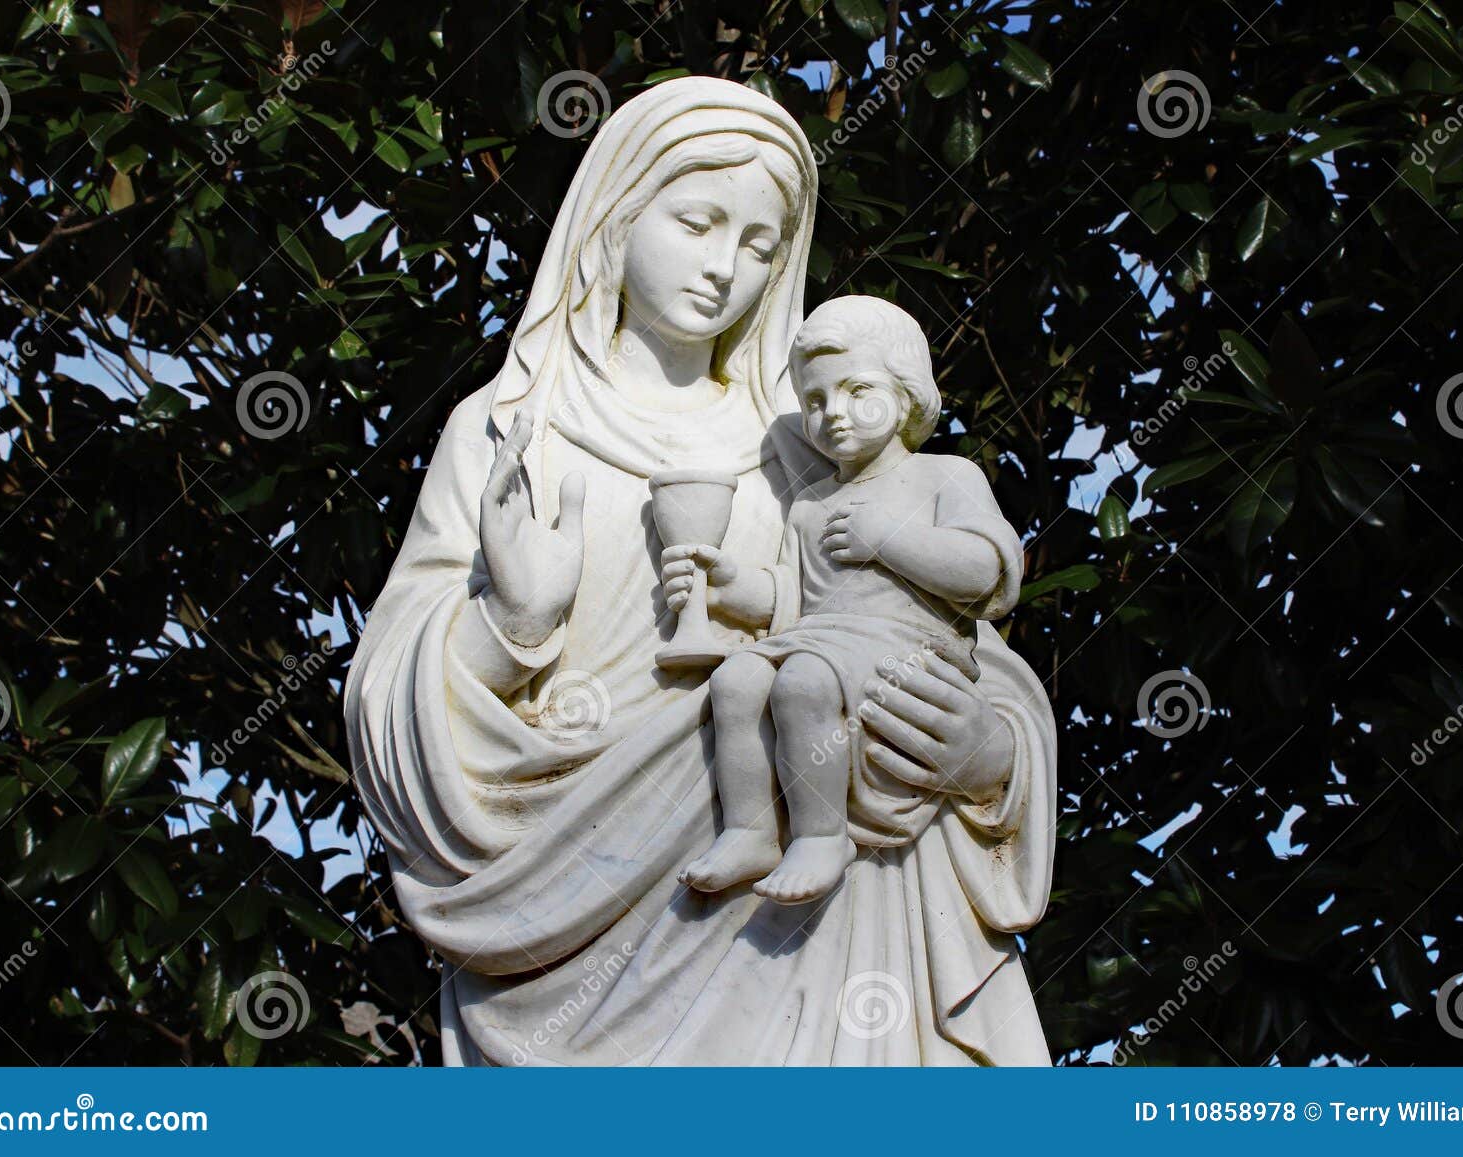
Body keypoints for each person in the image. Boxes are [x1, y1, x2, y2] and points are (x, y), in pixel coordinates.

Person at [345, 77, 1057, 1065]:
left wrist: (984, 753)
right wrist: (509, 619)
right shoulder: (513, 434)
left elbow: (950, 636)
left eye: (761, 245)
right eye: (696, 221)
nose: (724, 267)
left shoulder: (811, 456)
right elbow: (392, 701)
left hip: (833, 931)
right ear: (616, 212)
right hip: (581, 926)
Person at [675, 296, 1017, 905]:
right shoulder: (810, 507)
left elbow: (982, 575)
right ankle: (750, 831)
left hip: (907, 652)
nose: (833, 414)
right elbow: (798, 598)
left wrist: (887, 540)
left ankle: (821, 835)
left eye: (857, 390)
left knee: (802, 682)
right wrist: (732, 587)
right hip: (825, 637)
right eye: (814, 400)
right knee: (738, 681)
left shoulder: (945, 476)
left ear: (905, 389)